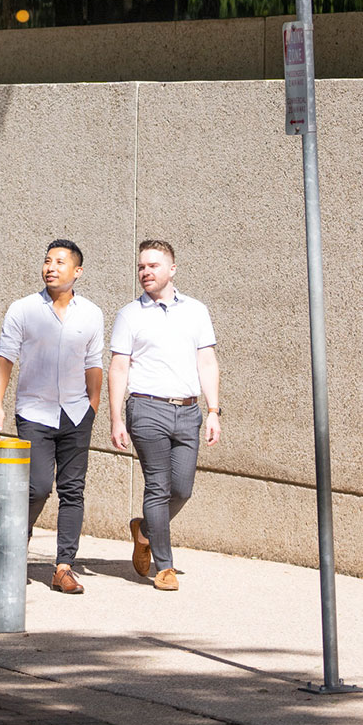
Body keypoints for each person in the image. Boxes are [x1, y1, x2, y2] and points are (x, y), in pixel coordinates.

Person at [0, 239, 104, 595]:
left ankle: (64, 567)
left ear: (77, 271)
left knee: (73, 490)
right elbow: (5, 358)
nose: (51, 267)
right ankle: (14, 544)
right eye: (47, 261)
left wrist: (92, 409)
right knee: (36, 487)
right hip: (34, 412)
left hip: (75, 412)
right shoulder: (23, 309)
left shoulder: (92, 314)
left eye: (60, 262)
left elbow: (94, 364)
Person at [108, 238, 222, 592]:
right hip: (146, 408)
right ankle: (165, 566)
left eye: (153, 265)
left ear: (172, 269)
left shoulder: (196, 311)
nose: (145, 272)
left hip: (189, 411)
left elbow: (207, 362)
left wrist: (214, 410)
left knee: (182, 489)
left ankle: (144, 530)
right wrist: (116, 419)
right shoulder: (130, 314)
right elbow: (118, 368)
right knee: (157, 486)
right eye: (141, 266)